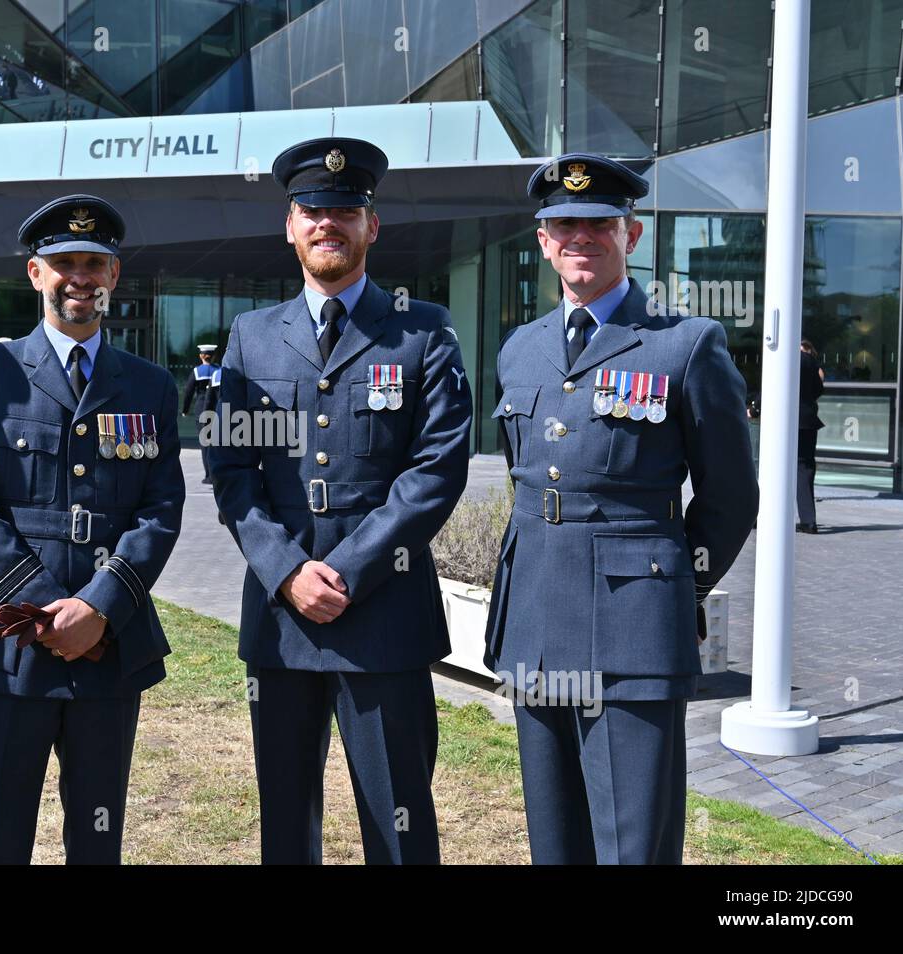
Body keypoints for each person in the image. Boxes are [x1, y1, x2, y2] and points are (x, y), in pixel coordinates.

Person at [484, 153, 759, 864]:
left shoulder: (686, 344)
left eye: (599, 223)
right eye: (563, 224)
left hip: (633, 631)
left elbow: (730, 497)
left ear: (630, 236)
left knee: (633, 848)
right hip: (537, 620)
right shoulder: (521, 350)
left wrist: (678, 589)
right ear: (543, 241)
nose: (581, 236)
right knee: (556, 844)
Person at [211, 138, 472, 864]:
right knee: (286, 824)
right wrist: (288, 571)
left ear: (372, 226)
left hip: (385, 612)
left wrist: (351, 571)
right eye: (313, 211)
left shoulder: (425, 335)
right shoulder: (250, 338)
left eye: (346, 210)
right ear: (290, 227)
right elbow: (231, 473)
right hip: (281, 617)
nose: (330, 223)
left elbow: (436, 471)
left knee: (400, 824)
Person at [0, 194, 185, 864]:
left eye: (93, 263)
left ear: (114, 275)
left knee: (99, 838)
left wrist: (98, 608)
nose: (80, 275)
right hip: (7, 642)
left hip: (110, 643)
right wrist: (45, 608)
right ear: (35, 274)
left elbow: (161, 508)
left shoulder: (150, 386)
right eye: (63, 262)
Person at [797, 339, 825, 533]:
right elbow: (818, 390)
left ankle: (762, 515)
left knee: (771, 468)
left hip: (786, 422)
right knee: (805, 468)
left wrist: (755, 409)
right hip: (808, 421)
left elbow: (772, 384)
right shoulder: (812, 363)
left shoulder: (785, 357)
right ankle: (809, 521)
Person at [182, 343, 219, 483]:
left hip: (201, 409)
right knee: (216, 443)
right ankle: (216, 472)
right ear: (214, 356)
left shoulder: (197, 372)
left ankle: (208, 475)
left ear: (201, 356)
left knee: (205, 443)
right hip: (216, 409)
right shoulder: (219, 370)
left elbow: (188, 393)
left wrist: (185, 410)